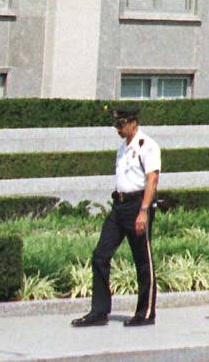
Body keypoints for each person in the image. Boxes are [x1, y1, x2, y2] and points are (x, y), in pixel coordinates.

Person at [73, 106, 161, 328]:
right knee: (100, 256)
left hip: (137, 205)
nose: (118, 129)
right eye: (116, 125)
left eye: (121, 124)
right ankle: (99, 311)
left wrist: (143, 210)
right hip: (119, 206)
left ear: (133, 122)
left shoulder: (147, 146)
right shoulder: (122, 148)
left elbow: (152, 180)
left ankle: (146, 313)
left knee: (143, 260)